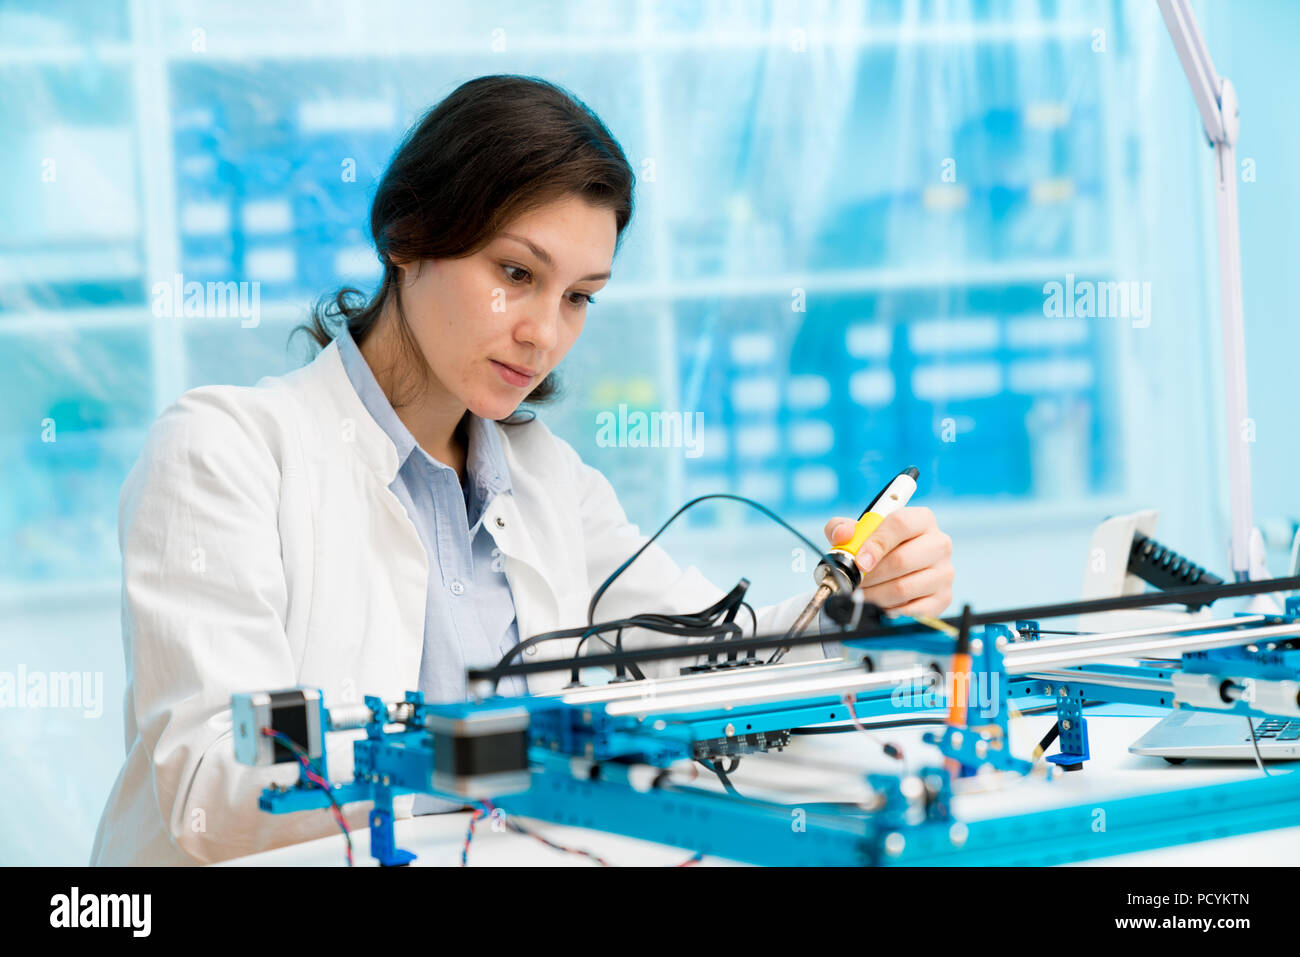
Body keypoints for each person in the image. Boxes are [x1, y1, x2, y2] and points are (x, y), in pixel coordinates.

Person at [91, 74, 954, 866]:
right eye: (515, 273)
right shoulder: (224, 453)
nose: (546, 333)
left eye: (579, 295)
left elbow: (715, 662)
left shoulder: (548, 481)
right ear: (408, 237)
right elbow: (216, 795)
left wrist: (859, 608)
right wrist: (520, 746)